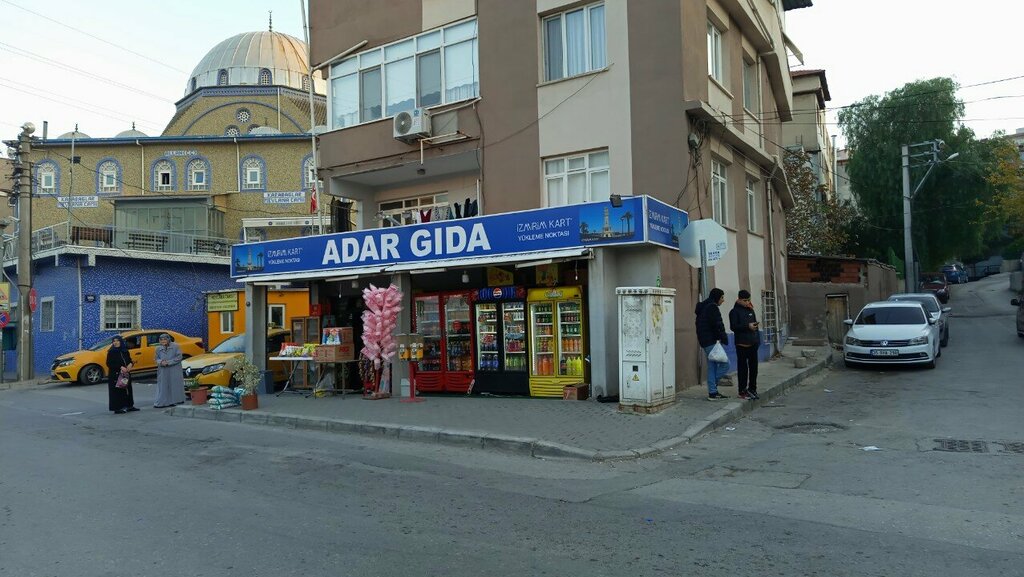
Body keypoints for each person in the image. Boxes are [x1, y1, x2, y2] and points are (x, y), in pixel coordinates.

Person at [695, 288, 730, 400]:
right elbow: (717, 325)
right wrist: (723, 338)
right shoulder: (712, 308)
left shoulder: (704, 307)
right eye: (722, 297)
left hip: (705, 341)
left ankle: (713, 393)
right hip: (711, 341)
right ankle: (712, 384)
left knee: (712, 366)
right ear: (717, 297)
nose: (723, 300)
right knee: (726, 364)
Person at [729, 289, 760, 400]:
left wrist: (757, 339)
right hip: (742, 344)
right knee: (743, 369)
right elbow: (733, 327)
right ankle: (742, 390)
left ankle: (752, 389)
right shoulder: (734, 312)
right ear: (739, 300)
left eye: (748, 300)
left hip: (753, 343)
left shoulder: (750, 310)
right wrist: (747, 326)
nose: (747, 302)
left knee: (754, 368)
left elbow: (755, 327)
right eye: (745, 300)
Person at [106, 335, 138, 414]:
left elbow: (129, 359)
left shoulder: (125, 350)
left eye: (117, 341)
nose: (115, 342)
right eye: (114, 341)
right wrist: (120, 367)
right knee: (117, 391)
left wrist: (130, 364)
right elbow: (109, 363)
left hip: (125, 373)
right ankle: (117, 408)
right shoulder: (112, 351)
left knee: (127, 389)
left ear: (121, 342)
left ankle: (129, 406)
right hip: (115, 374)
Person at [153, 333, 186, 408]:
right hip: (163, 370)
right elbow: (156, 358)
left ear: (168, 339)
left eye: (165, 339)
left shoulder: (175, 346)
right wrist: (161, 362)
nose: (163, 341)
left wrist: (169, 362)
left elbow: (179, 357)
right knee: (163, 385)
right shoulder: (158, 348)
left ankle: (176, 400)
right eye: (161, 340)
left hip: (174, 369)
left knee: (174, 384)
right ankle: (163, 402)